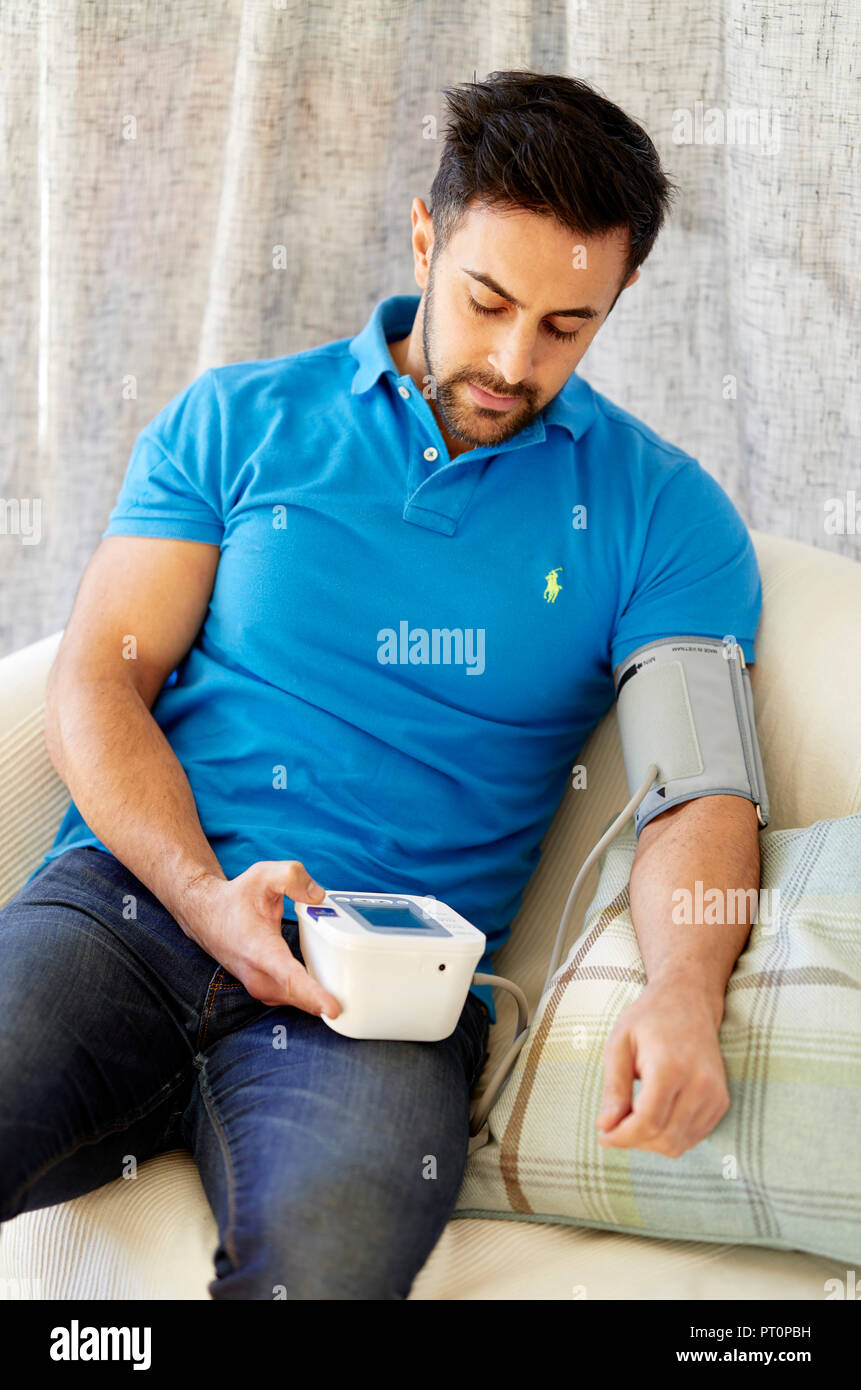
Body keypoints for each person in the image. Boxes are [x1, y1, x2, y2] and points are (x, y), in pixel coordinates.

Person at [0, 70, 762, 1299]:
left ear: (617, 300)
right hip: (135, 908)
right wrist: (205, 897)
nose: (515, 361)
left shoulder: (667, 518)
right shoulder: (237, 419)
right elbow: (97, 678)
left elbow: (699, 791)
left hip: (386, 995)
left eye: (567, 325)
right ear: (426, 235)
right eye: (488, 300)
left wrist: (684, 992)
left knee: (326, 1274)